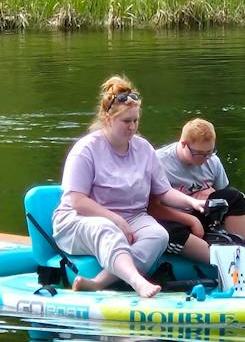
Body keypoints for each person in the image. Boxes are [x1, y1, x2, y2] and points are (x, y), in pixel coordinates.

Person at [52, 76, 208, 298]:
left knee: (158, 235)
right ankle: (138, 281)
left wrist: (192, 202)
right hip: (79, 220)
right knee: (107, 229)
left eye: (135, 120)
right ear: (108, 119)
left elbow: (164, 192)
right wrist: (116, 220)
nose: (132, 127)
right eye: (126, 121)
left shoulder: (143, 149)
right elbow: (77, 201)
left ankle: (98, 282)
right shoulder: (86, 150)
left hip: (131, 217)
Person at [152, 118, 245, 265]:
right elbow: (151, 208)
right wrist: (191, 220)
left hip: (201, 212)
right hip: (171, 218)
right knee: (168, 231)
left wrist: (210, 196)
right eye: (199, 153)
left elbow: (224, 195)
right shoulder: (159, 162)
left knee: (235, 197)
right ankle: (223, 262)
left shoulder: (212, 161)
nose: (205, 159)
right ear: (183, 144)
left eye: (209, 153)